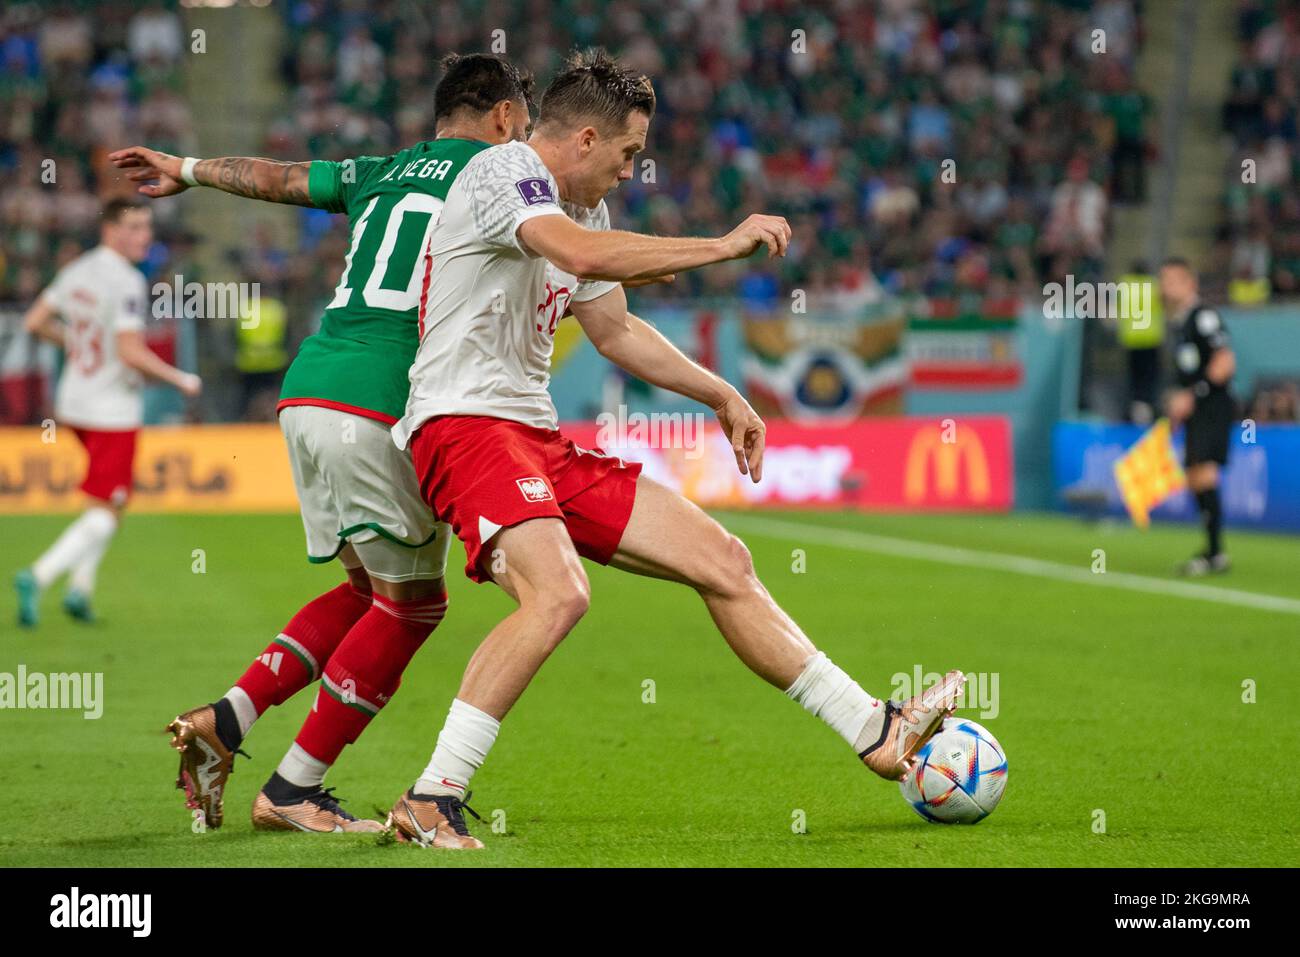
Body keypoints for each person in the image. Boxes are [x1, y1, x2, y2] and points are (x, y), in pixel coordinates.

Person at [381, 49, 965, 850]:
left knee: (722, 559)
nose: (630, 172)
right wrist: (722, 246)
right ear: (583, 139)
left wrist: (721, 393)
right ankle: (431, 796)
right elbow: (580, 258)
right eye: (627, 155)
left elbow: (615, 328)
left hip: (534, 436)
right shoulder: (501, 170)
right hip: (464, 426)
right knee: (559, 593)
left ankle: (875, 727)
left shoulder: (582, 212)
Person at [108, 53, 534, 832]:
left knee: (371, 593)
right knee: (413, 607)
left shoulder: (379, 170)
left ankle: (228, 717)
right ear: (505, 118)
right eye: (525, 128)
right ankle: (293, 789)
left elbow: (275, 178)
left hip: (308, 387)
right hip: (378, 399)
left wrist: (188, 168)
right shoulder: (503, 179)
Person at [15, 199, 202, 627]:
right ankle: (37, 576)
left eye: (147, 227)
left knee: (107, 504)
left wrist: (77, 347)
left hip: (74, 403)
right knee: (107, 510)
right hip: (111, 410)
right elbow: (130, 351)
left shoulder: (77, 270)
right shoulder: (127, 282)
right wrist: (179, 379)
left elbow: (35, 322)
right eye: (135, 227)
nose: (145, 237)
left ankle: (80, 591)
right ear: (112, 230)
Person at [1159, 258, 1237, 575]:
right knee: (1193, 475)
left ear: (1190, 283)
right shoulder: (1180, 323)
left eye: (1173, 280)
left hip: (1213, 407)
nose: (1165, 287)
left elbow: (1225, 361)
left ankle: (1215, 554)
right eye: (1163, 280)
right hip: (1198, 409)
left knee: (1203, 473)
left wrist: (1194, 394)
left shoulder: (1203, 316)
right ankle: (1212, 550)